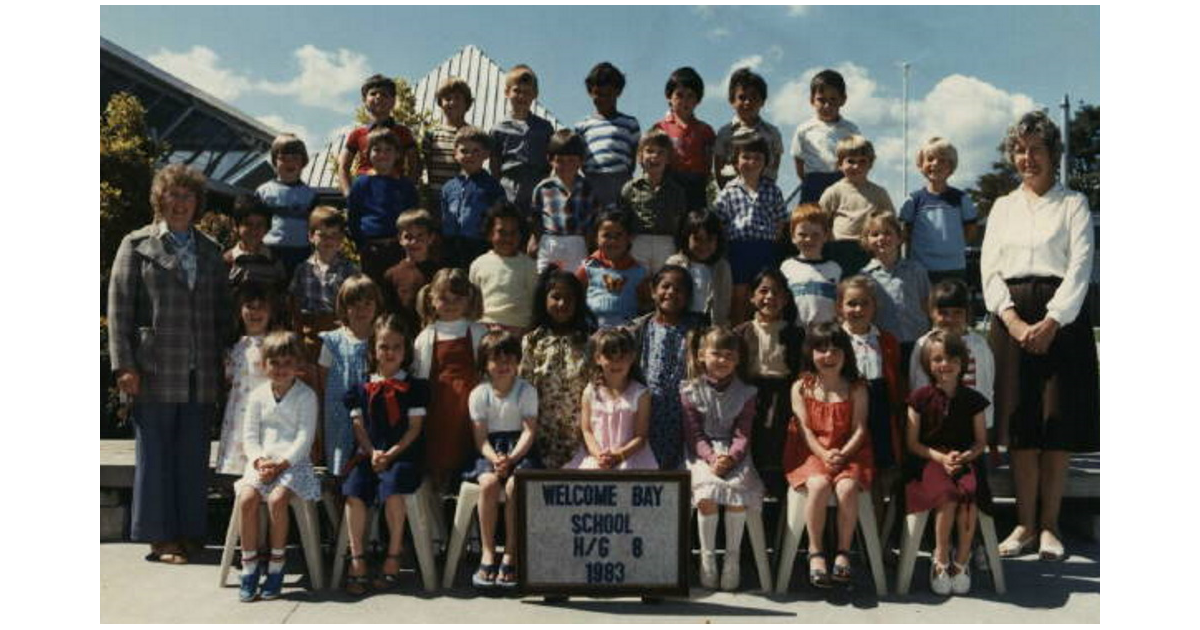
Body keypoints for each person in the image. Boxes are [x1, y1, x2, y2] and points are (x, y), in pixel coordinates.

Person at [980, 110, 1097, 562]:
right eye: (1020, 150)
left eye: (1037, 149)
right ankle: (1024, 525)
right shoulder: (1003, 207)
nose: (1027, 158)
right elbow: (990, 269)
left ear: (1053, 154)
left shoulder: (1073, 204)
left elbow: (1080, 268)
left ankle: (1050, 527)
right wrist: (1011, 321)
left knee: (1056, 424)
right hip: (1011, 318)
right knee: (1021, 424)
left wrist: (1052, 322)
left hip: (1061, 322)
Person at [107, 163, 232, 565]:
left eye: (188, 196)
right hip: (155, 367)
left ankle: (190, 532)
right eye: (173, 195)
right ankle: (160, 537)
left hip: (201, 371)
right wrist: (124, 365)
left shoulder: (210, 250)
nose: (180, 203)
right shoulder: (136, 244)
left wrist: (226, 361)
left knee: (192, 455)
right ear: (159, 199)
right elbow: (120, 308)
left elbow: (221, 313)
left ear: (197, 203)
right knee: (156, 455)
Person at [340, 314, 429, 595]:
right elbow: (358, 426)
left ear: (406, 351)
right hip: (369, 452)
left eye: (396, 347)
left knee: (393, 487)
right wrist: (372, 452)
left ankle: (393, 555)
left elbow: (414, 429)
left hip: (402, 455)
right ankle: (357, 557)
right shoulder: (361, 388)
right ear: (373, 350)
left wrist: (390, 455)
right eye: (383, 347)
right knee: (354, 488)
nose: (390, 353)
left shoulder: (414, 388)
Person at [783, 322, 874, 588]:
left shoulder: (856, 387)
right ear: (810, 353)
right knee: (820, 484)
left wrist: (842, 454)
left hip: (851, 452)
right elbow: (805, 430)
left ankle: (844, 552)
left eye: (835, 350)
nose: (828, 356)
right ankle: (815, 551)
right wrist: (823, 453)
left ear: (846, 354)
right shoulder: (802, 387)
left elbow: (860, 428)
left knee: (846, 488)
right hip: (809, 453)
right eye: (821, 350)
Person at [234, 332, 320, 602]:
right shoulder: (258, 396)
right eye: (275, 363)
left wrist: (282, 463)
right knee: (247, 499)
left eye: (287, 363)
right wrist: (259, 460)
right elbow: (249, 436)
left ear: (297, 365)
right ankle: (249, 566)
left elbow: (304, 439)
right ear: (264, 365)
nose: (281, 369)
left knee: (277, 498)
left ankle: (276, 565)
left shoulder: (306, 396)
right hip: (263, 462)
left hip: (294, 463)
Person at [904, 331, 991, 596]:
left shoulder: (973, 399)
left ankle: (961, 561)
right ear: (927, 364)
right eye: (938, 358)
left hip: (963, 458)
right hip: (929, 460)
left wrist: (966, 456)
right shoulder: (919, 398)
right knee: (948, 495)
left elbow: (980, 442)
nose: (945, 364)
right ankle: (941, 557)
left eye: (952, 358)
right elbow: (913, 444)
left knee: (968, 493)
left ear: (962, 361)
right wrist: (942, 458)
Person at [682, 326, 766, 591]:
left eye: (729, 355)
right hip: (700, 454)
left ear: (738, 360)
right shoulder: (689, 391)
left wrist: (730, 457)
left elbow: (743, 433)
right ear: (701, 356)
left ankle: (732, 557)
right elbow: (693, 434)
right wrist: (711, 458)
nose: (722, 361)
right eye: (716, 354)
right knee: (707, 495)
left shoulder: (746, 393)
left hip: (735, 453)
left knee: (736, 493)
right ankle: (708, 558)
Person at [464, 331, 541, 589]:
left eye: (510, 359)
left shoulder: (526, 391)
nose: (504, 365)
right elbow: (480, 438)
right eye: (496, 360)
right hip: (490, 450)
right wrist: (495, 458)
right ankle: (488, 551)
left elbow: (529, 430)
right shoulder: (479, 394)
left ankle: (510, 551)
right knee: (487, 484)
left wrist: (513, 458)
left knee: (514, 486)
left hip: (521, 449)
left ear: (518, 361)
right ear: (485, 364)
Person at [837, 275, 906, 530]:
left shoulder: (886, 341)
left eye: (864, 304)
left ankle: (877, 542)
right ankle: (839, 541)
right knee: (846, 473)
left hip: (879, 410)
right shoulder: (834, 340)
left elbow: (894, 381)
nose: (858, 310)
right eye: (851, 303)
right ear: (839, 307)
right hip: (844, 411)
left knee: (877, 476)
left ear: (874, 307)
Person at [411, 269, 489, 492]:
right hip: (438, 409)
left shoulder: (477, 331)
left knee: (466, 457)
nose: (451, 304)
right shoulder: (427, 335)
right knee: (438, 459)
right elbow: (420, 377)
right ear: (432, 300)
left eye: (458, 298)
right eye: (444, 298)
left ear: (469, 299)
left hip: (469, 409)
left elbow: (485, 373)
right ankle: (439, 504)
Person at [733, 268, 804, 500]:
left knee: (778, 447)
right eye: (763, 291)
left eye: (777, 292)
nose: (770, 297)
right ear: (752, 297)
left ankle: (778, 511)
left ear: (785, 298)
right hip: (749, 397)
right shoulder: (740, 333)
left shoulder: (796, 334)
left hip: (783, 398)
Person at [629, 265, 706, 470]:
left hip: (683, 413)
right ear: (653, 291)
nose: (671, 292)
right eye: (666, 286)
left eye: (679, 289)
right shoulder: (640, 328)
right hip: (649, 411)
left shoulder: (697, 330)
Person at [519, 269, 596, 469]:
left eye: (569, 299)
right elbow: (524, 387)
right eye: (556, 297)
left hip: (580, 435)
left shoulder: (589, 342)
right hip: (540, 434)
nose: (562, 304)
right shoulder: (532, 342)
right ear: (544, 299)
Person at [713, 133, 788, 325]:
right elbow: (718, 223)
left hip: (765, 250)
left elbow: (781, 221)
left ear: (766, 162)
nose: (752, 162)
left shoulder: (772, 190)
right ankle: (738, 337)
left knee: (763, 296)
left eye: (757, 158)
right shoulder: (728, 192)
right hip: (738, 250)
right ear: (736, 161)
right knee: (739, 298)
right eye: (746, 157)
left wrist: (771, 242)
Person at [564, 327, 657, 470]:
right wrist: (599, 455)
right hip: (597, 458)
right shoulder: (590, 392)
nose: (616, 362)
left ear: (632, 357)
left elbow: (641, 436)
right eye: (609, 356)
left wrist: (619, 456)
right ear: (597, 358)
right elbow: (587, 429)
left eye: (622, 357)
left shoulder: (641, 394)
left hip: (630, 458)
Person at [216, 282, 283, 477]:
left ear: (271, 312)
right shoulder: (235, 346)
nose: (255, 312)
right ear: (239, 310)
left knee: (265, 467)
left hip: (266, 414)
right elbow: (228, 378)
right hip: (239, 414)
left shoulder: (274, 344)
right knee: (241, 471)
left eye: (261, 307)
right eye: (249, 307)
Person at [909, 280, 994, 432]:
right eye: (943, 313)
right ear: (931, 312)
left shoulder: (979, 345)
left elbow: (986, 385)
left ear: (967, 313)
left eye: (957, 312)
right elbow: (918, 385)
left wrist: (986, 423)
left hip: (971, 423)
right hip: (934, 424)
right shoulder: (923, 345)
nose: (950, 319)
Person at [318, 275, 383, 475]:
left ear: (377, 305)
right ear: (344, 307)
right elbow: (323, 376)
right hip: (341, 412)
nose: (361, 310)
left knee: (373, 456)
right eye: (354, 304)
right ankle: (341, 500)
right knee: (342, 462)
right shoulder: (334, 340)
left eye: (367, 303)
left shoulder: (380, 338)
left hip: (373, 409)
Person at [898, 137, 979, 284]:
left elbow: (971, 231)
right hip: (921, 269)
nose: (935, 164)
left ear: (951, 167)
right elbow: (905, 235)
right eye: (930, 159)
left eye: (942, 160)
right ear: (921, 165)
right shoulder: (913, 201)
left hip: (955, 269)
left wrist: (951, 248)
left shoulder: (962, 199)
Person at [859, 209, 931, 371]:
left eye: (887, 233)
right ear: (867, 240)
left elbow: (927, 304)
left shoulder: (916, 270)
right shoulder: (864, 277)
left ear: (899, 238)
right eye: (875, 234)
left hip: (917, 342)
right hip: (884, 344)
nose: (881, 238)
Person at [347, 129, 419, 289]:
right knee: (372, 291)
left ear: (397, 155)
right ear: (368, 154)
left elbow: (413, 219)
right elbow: (353, 216)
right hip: (371, 249)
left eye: (388, 150)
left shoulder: (405, 186)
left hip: (399, 248)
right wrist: (361, 243)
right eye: (377, 150)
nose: (382, 154)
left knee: (396, 291)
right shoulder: (361, 183)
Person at [289, 207, 361, 364]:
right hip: (311, 335)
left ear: (342, 239)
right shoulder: (302, 269)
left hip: (339, 334)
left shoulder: (350, 270)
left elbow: (356, 305)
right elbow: (295, 305)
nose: (328, 240)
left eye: (334, 235)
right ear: (311, 236)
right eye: (322, 235)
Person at [818, 135, 895, 276]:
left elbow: (891, 222)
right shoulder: (833, 191)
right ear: (840, 164)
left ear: (870, 164)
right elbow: (819, 221)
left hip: (869, 249)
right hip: (839, 249)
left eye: (862, 162)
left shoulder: (879, 193)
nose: (856, 166)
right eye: (850, 161)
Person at [338, 73, 419, 195]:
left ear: (393, 101)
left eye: (384, 94)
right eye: (373, 93)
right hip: (364, 192)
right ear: (365, 101)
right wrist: (349, 195)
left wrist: (407, 190)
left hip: (395, 193)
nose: (378, 97)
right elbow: (343, 166)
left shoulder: (404, 132)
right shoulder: (357, 134)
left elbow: (415, 165)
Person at [575, 62, 640, 211]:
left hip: (621, 182)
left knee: (619, 223)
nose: (603, 99)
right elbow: (580, 158)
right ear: (590, 92)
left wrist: (623, 179)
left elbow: (633, 156)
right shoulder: (582, 126)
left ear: (618, 92)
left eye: (608, 94)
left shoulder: (630, 124)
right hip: (592, 182)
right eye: (598, 94)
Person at [529, 129, 596, 274]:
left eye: (571, 160)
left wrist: (589, 244)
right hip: (550, 242)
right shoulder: (543, 188)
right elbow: (535, 218)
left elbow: (592, 220)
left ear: (581, 161)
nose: (566, 166)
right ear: (550, 160)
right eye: (560, 161)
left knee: (577, 283)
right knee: (546, 282)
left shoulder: (587, 188)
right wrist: (537, 240)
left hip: (577, 243)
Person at [490, 64, 555, 212]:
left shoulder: (545, 128)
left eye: (527, 92)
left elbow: (551, 164)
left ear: (535, 94)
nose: (521, 96)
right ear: (507, 92)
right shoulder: (498, 130)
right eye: (517, 91)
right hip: (508, 194)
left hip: (538, 196)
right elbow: (494, 168)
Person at [623, 129, 687, 276]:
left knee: (664, 280)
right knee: (638, 283)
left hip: (666, 241)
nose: (655, 156)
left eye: (661, 152)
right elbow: (624, 218)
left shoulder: (676, 191)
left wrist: (679, 247)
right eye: (649, 151)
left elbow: (680, 222)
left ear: (668, 159)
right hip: (639, 241)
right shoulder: (630, 188)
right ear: (640, 156)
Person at [790, 69, 860, 203]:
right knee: (812, 220)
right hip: (813, 183)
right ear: (812, 100)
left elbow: (859, 156)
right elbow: (798, 160)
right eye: (821, 100)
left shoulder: (851, 129)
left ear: (843, 100)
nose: (827, 106)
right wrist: (809, 180)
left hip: (842, 181)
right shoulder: (804, 130)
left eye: (833, 100)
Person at [651, 66, 715, 212]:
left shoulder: (706, 130)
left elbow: (709, 162)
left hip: (696, 188)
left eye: (690, 95)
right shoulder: (660, 128)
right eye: (679, 95)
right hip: (669, 185)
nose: (684, 100)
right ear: (669, 97)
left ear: (698, 99)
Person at [441, 126, 506, 269]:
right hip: (450, 245)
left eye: (476, 151)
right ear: (455, 154)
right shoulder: (448, 187)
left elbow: (499, 221)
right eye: (464, 151)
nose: (470, 155)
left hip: (479, 246)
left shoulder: (493, 187)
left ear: (486, 154)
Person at [470, 202, 538, 333]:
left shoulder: (529, 266)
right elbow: (473, 305)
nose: (507, 238)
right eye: (501, 232)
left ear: (520, 235)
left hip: (518, 330)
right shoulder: (478, 264)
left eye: (513, 233)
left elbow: (534, 306)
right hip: (485, 330)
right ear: (490, 234)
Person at [575, 209, 648, 328]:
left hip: (625, 333)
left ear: (629, 238)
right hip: (593, 330)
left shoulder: (638, 271)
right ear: (596, 238)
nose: (613, 241)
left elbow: (646, 303)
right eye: (606, 235)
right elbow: (574, 293)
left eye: (618, 235)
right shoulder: (588, 267)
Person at [714, 67, 785, 189]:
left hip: (764, 193)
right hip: (734, 192)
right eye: (742, 97)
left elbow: (775, 164)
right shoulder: (725, 133)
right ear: (732, 100)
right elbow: (718, 167)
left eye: (754, 97)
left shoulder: (772, 133)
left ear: (762, 101)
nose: (748, 102)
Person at [257, 133, 317, 276]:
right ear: (274, 161)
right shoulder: (263, 191)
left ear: (303, 162)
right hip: (269, 251)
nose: (289, 163)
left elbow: (315, 229)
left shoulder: (310, 195)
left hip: (301, 253)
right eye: (283, 158)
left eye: (295, 158)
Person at [666, 208, 732, 327]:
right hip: (679, 325)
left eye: (710, 239)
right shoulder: (675, 263)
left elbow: (725, 301)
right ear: (686, 238)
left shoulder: (722, 268)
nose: (704, 245)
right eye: (697, 239)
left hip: (710, 328)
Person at [780, 203, 841, 329]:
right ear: (792, 236)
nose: (809, 239)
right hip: (796, 335)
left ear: (825, 236)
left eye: (815, 235)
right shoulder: (786, 267)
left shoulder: (835, 269)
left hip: (826, 337)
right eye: (802, 235)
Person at [381, 209, 443, 322]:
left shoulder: (440, 273)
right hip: (404, 334)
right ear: (400, 238)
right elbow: (389, 312)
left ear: (431, 238)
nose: (414, 242)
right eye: (408, 237)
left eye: (420, 236)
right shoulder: (392, 274)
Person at [224, 195, 287, 294]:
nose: (254, 230)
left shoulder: (274, 261)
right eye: (247, 224)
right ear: (236, 226)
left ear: (267, 228)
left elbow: (281, 295)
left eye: (259, 225)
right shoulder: (227, 260)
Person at [424, 77, 473, 201]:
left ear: (467, 103)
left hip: (465, 198)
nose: (452, 102)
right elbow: (426, 166)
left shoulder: (473, 135)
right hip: (437, 197)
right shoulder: (431, 134)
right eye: (447, 99)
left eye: (457, 98)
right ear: (440, 103)